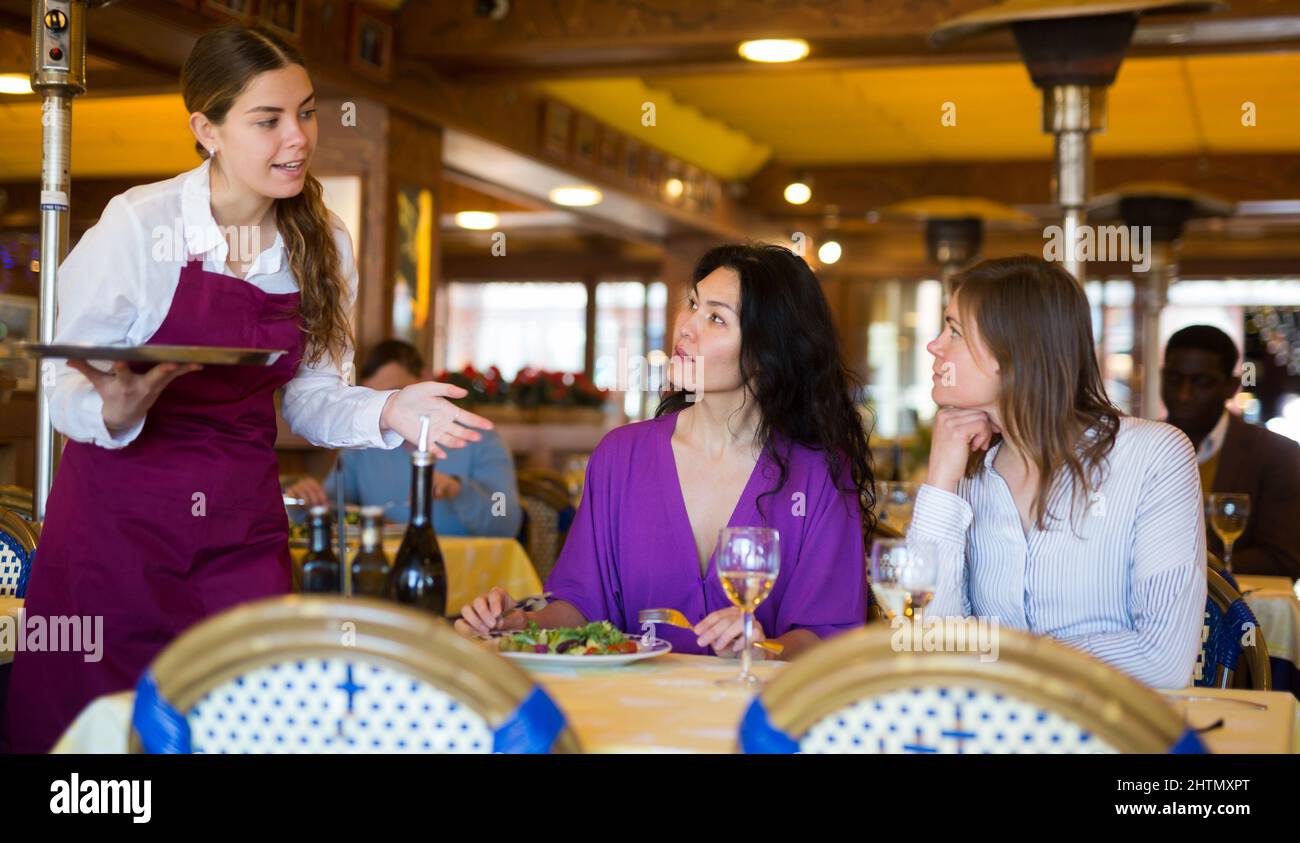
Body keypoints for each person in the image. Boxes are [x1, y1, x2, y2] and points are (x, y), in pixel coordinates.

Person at [2, 25, 490, 753]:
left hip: (243, 531)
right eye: (268, 120)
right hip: (117, 533)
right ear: (207, 130)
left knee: (247, 719)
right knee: (104, 739)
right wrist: (112, 405)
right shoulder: (143, 224)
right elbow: (62, 375)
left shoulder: (322, 238)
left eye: (308, 112)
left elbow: (311, 395)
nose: (297, 137)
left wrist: (388, 408)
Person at [455, 244, 873, 659]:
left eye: (715, 318)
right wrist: (519, 625)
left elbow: (828, 635)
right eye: (691, 304)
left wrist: (764, 648)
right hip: (631, 712)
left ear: (768, 352)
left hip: (761, 713)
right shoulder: (621, 457)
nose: (686, 327)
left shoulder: (820, 474)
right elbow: (580, 609)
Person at [911, 256, 1205, 689]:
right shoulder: (968, 471)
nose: (934, 346)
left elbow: (1164, 661)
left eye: (954, 330)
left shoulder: (1154, 457)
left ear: (1013, 351)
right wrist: (939, 482)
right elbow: (930, 647)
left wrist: (1006, 655)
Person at [284, 339, 523, 537]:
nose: (393, 410)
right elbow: (326, 512)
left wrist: (457, 490)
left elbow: (505, 518)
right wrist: (303, 502)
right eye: (378, 399)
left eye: (399, 393)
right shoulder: (361, 444)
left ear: (426, 378)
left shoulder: (479, 440)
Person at [1162, 325, 1300, 579]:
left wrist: (1187, 566)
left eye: (1201, 382)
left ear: (1231, 386)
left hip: (1241, 613)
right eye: (1174, 379)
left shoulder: (1276, 455)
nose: (1183, 395)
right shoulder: (1138, 448)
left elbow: (1284, 559)